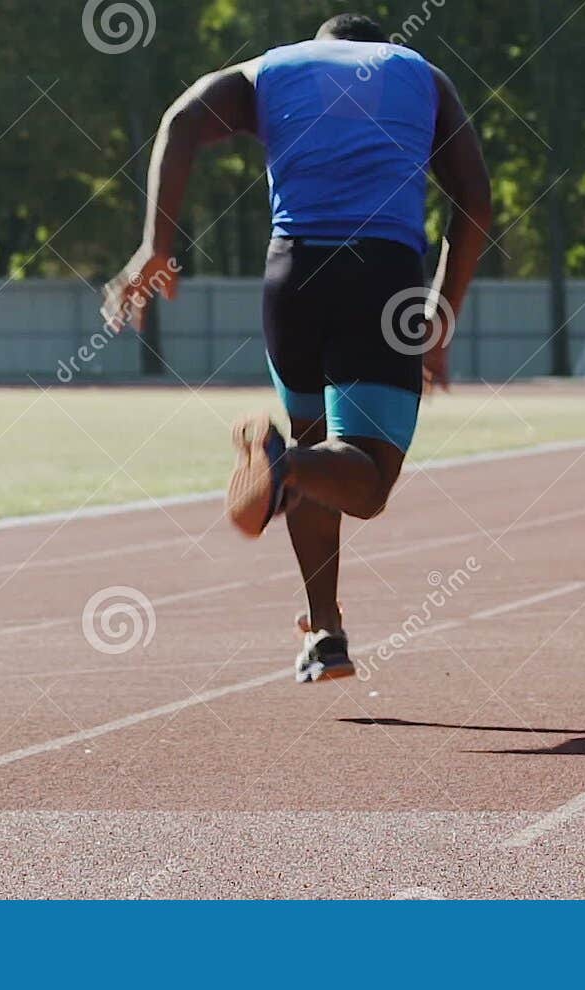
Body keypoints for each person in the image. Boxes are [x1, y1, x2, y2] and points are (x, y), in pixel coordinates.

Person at [102, 13, 492, 683]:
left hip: (292, 276)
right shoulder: (423, 77)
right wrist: (441, 311)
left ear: (321, 43)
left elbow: (181, 120)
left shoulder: (270, 69)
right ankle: (281, 465)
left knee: (316, 457)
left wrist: (157, 245)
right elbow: (475, 203)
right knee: (367, 481)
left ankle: (325, 631)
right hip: (380, 277)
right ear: (380, 46)